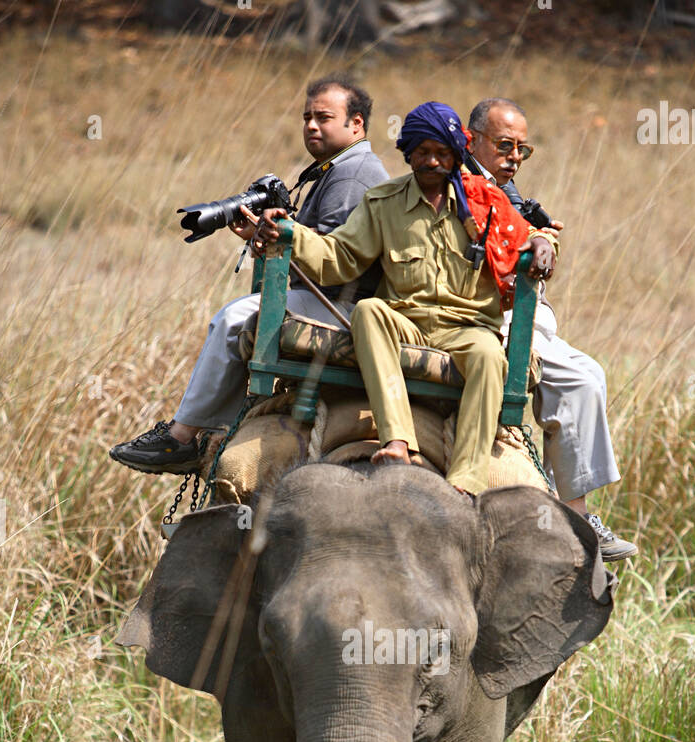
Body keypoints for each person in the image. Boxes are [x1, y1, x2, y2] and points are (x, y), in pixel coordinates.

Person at [255, 101, 552, 496]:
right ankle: (397, 441)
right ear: (408, 153)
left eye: (442, 153)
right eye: (423, 152)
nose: (432, 161)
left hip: (467, 328)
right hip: (406, 322)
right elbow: (338, 259)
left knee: (488, 356)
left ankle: (466, 481)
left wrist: (544, 242)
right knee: (368, 310)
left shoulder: (486, 202)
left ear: (455, 154)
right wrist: (292, 234)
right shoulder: (383, 202)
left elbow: (531, 235)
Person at [110, 75, 388, 475]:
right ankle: (207, 427)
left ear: (356, 124)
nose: (311, 125)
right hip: (330, 296)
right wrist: (264, 236)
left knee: (232, 318)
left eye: (324, 117)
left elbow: (330, 262)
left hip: (340, 304)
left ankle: (182, 438)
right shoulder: (336, 169)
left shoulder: (353, 174)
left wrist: (275, 238)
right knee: (238, 315)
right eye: (307, 117)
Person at [466, 97, 637, 561]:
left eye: (523, 149)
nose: (515, 157)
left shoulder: (503, 185)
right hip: (483, 313)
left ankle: (577, 516)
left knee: (589, 375)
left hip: (518, 310)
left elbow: (522, 228)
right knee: (575, 377)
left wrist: (543, 235)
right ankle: (576, 522)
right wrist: (534, 241)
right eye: (505, 145)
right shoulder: (460, 184)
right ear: (472, 139)